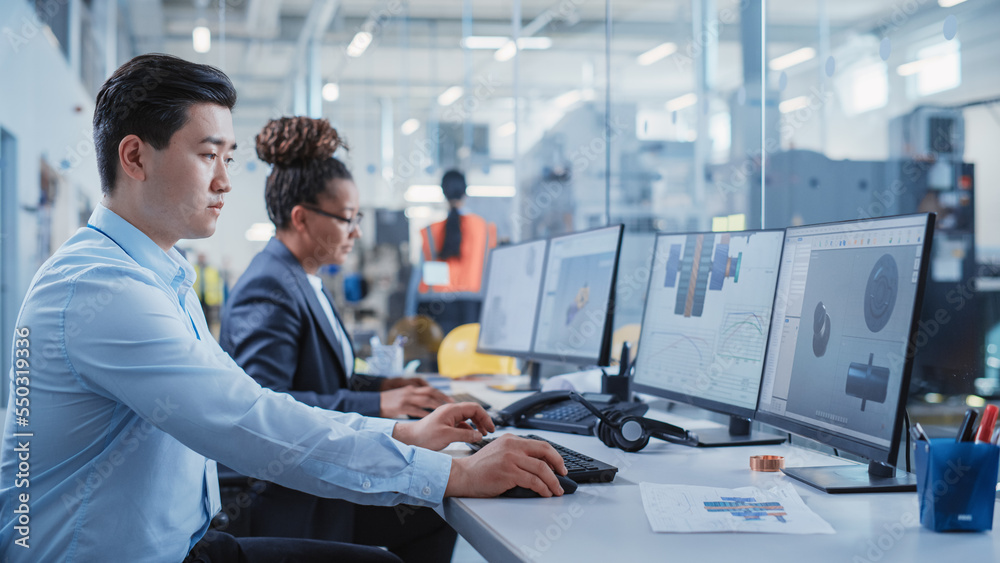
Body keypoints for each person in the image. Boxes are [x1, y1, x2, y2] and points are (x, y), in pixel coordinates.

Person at [0, 54, 568, 563]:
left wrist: (404, 434)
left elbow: (256, 401)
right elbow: (247, 422)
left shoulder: (158, 275)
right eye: (207, 156)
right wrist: (452, 472)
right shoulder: (104, 289)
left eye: (228, 157)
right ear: (135, 157)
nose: (225, 181)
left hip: (189, 542)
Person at [218, 116, 454, 560]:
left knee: (433, 509)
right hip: (289, 495)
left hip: (317, 476)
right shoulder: (268, 286)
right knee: (434, 505)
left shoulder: (304, 278)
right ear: (301, 218)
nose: (357, 232)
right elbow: (270, 405)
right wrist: (381, 407)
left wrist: (387, 388)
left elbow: (326, 379)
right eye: (347, 219)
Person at [416, 170, 497, 335]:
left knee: (441, 357)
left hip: (438, 308)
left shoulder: (431, 231)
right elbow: (492, 272)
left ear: (443, 193)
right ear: (465, 191)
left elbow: (419, 275)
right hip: (474, 308)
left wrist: (410, 314)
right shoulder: (486, 229)